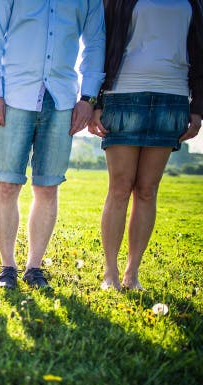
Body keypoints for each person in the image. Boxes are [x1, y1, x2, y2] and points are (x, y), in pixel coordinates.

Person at [0, 0, 105, 290]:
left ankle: (34, 268)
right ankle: (7, 267)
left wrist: (88, 98)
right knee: (8, 184)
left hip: (62, 99)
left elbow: (96, 42)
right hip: (13, 95)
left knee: (48, 187)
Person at [88, 0, 203, 291]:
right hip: (123, 93)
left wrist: (198, 108)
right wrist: (96, 101)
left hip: (172, 97)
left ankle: (132, 273)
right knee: (120, 186)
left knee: (148, 189)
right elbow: (102, 42)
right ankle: (110, 273)